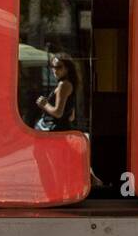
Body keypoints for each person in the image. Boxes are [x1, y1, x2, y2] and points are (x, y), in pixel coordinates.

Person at [33, 55, 104, 188]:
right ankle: (89, 183)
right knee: (66, 162)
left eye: (59, 67)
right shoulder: (69, 84)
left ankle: (54, 188)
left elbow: (58, 112)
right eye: (53, 67)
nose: (55, 70)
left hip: (55, 131)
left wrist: (44, 104)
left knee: (50, 162)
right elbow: (71, 115)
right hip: (63, 129)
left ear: (67, 68)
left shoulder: (63, 85)